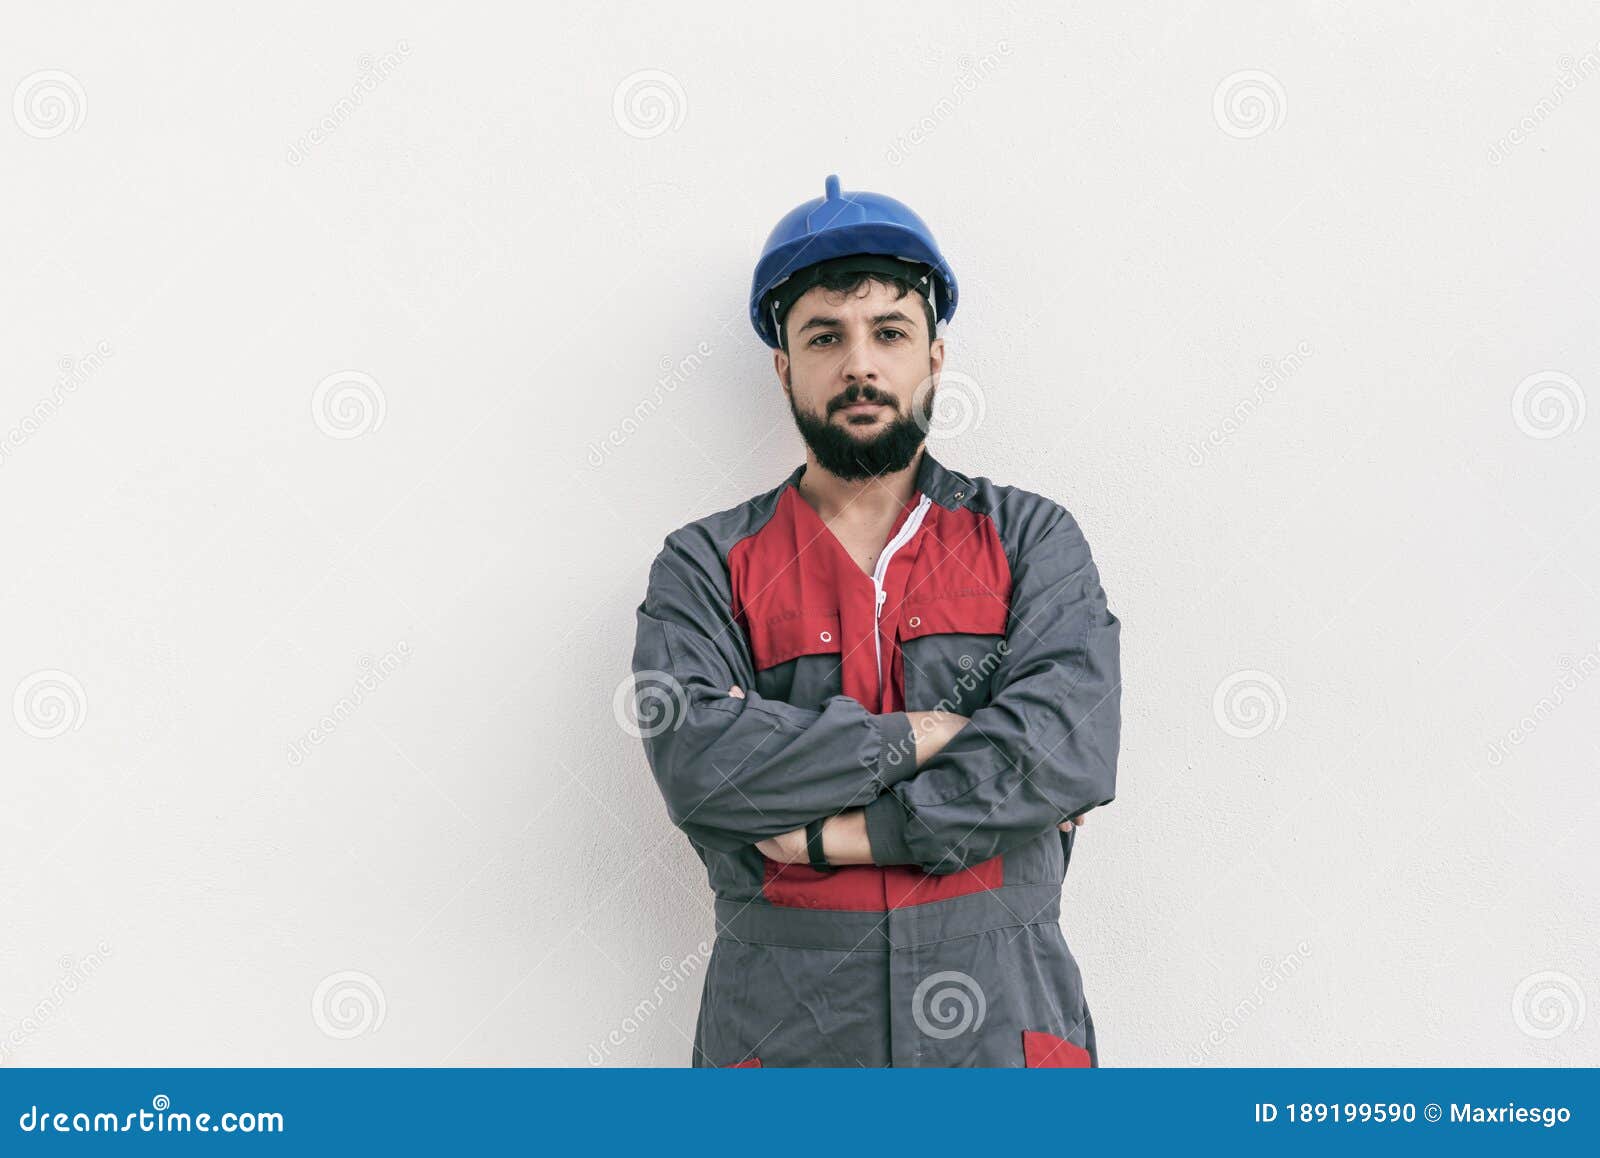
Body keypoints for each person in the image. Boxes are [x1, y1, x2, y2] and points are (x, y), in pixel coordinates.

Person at [630, 174, 1122, 1067]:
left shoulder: (1030, 538)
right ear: (785, 367)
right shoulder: (706, 564)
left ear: (934, 356)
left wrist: (840, 834)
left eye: (889, 333)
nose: (860, 364)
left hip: (1003, 1036)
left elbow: (1066, 752)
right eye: (825, 337)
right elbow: (702, 768)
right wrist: (939, 732)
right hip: (786, 1041)